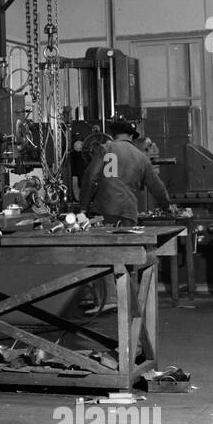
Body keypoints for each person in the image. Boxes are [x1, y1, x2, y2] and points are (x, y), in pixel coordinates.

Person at [77, 116, 177, 314]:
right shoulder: (141, 157)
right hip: (129, 213)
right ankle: (129, 301)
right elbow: (157, 188)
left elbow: (90, 178)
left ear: (112, 134)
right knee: (126, 256)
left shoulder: (106, 149)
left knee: (100, 253)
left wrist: (82, 209)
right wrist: (167, 207)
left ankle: (111, 298)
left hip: (105, 211)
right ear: (132, 136)